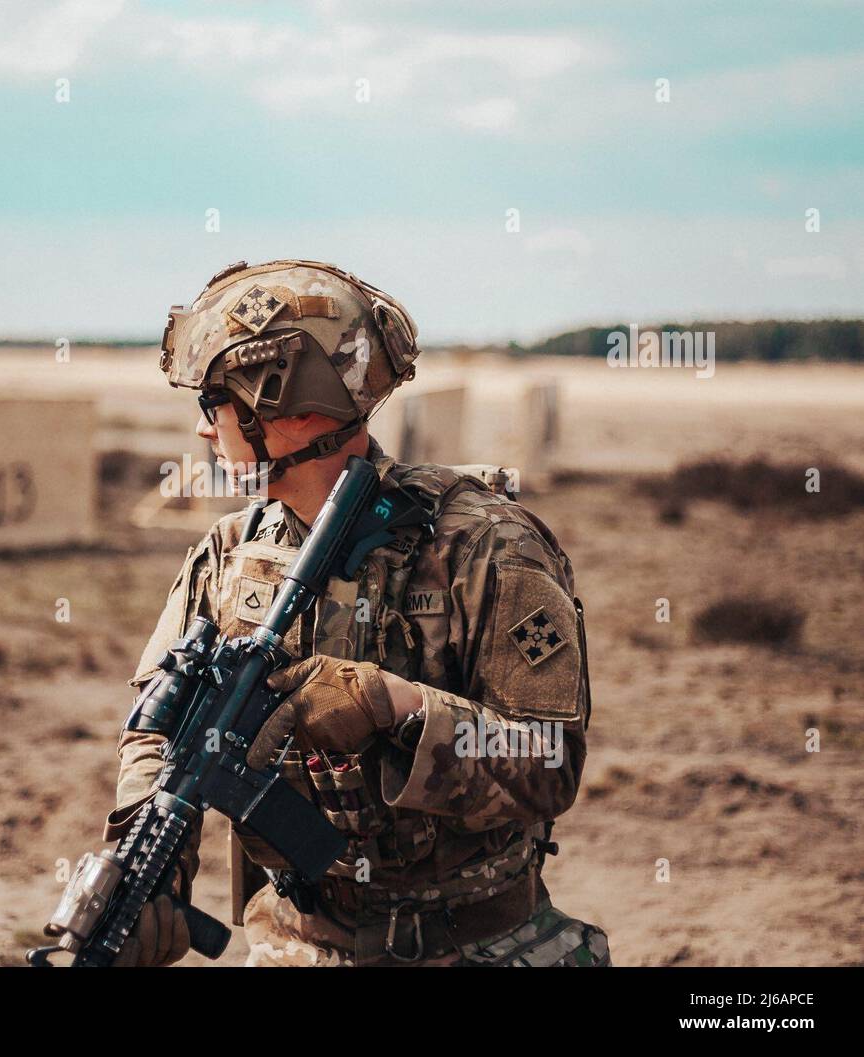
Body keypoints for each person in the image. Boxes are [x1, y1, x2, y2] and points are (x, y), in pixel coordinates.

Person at [107, 260, 609, 967]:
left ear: (284, 401)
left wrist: (396, 704)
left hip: (480, 946)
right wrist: (148, 872)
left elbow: (551, 763)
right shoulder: (230, 554)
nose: (202, 431)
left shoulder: (488, 548)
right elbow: (155, 733)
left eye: (214, 402)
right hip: (295, 943)